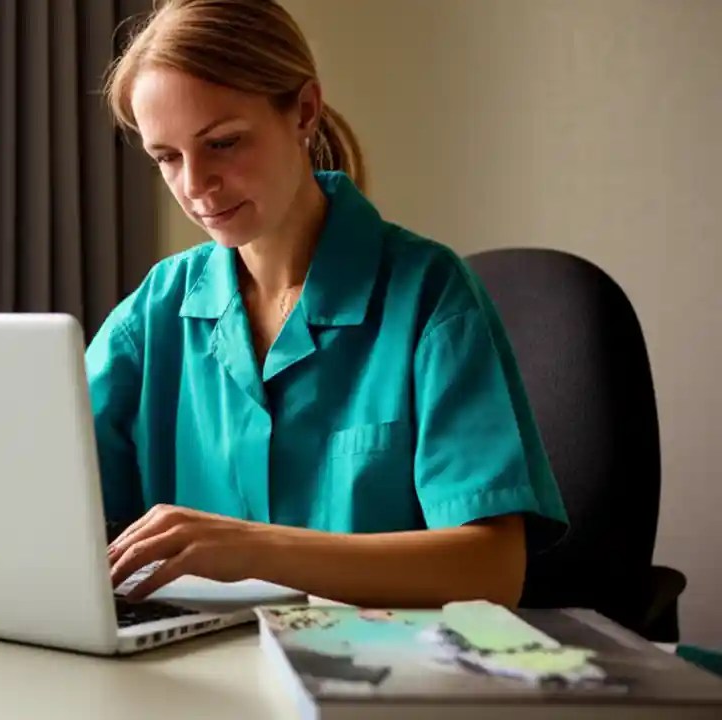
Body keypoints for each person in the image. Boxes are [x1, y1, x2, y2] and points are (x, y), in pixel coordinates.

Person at [90, 0, 568, 608]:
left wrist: (252, 550)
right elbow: (43, 503)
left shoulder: (430, 297)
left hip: (380, 683)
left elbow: (492, 571)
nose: (194, 185)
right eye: (167, 157)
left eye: (224, 143)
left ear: (304, 111)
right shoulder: (154, 312)